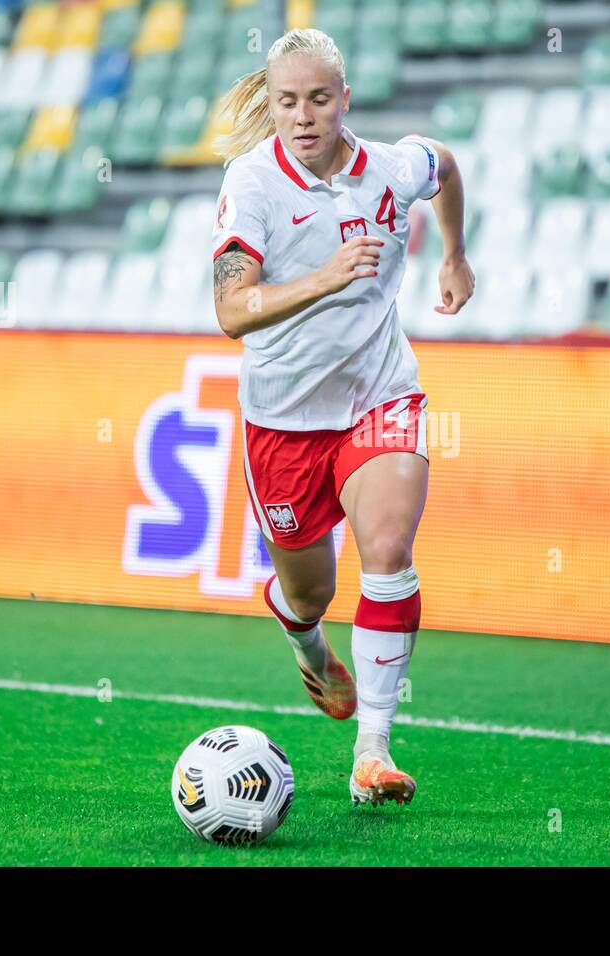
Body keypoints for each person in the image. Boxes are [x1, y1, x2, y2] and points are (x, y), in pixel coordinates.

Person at [210, 28, 474, 806]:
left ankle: (373, 753)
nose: (302, 115)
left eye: (318, 98)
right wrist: (325, 278)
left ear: (345, 98)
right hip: (284, 421)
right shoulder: (253, 182)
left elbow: (448, 166)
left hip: (378, 396)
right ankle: (308, 644)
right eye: (288, 101)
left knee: (389, 548)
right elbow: (231, 310)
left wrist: (455, 254)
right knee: (312, 593)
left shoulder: (392, 169)